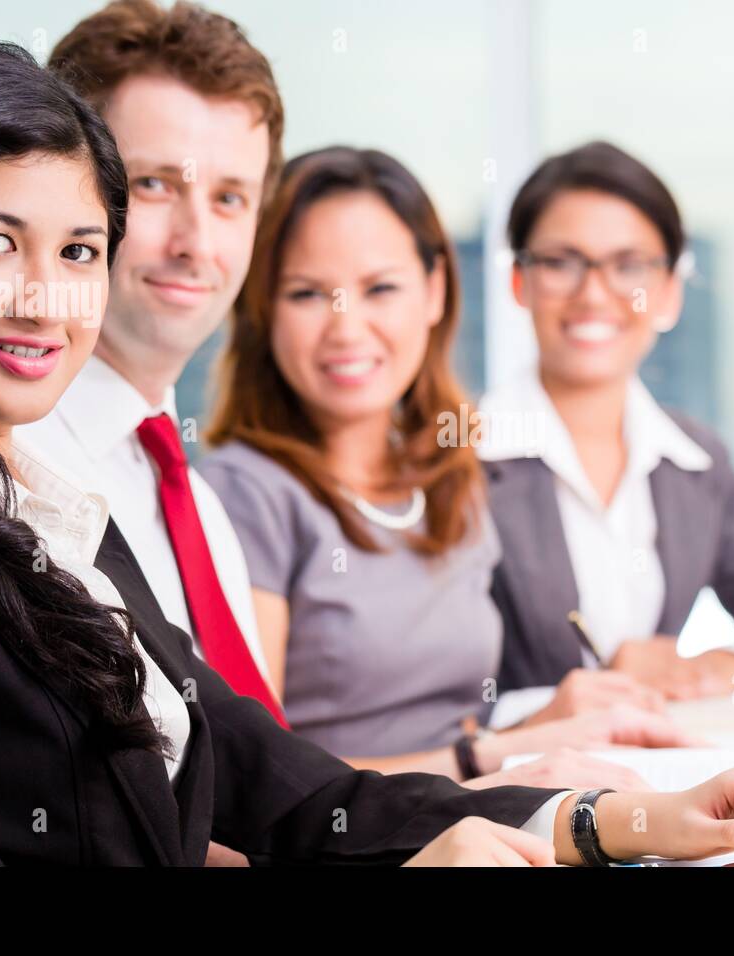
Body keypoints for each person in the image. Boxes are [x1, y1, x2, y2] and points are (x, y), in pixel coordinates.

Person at [0, 41, 734, 868]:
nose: (45, 301)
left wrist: (608, 823)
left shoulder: (49, 505)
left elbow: (289, 789)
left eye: (80, 251)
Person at [199, 146, 684, 790]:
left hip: (474, 821)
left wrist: (545, 726)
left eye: (381, 289)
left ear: (434, 292)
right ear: (263, 310)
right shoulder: (245, 493)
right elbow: (251, 791)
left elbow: (454, 732)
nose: (347, 329)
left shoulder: (449, 474)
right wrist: (488, 759)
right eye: (308, 293)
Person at [480, 141, 734, 704]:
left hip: (659, 781)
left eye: (629, 266)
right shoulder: (454, 459)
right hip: (510, 785)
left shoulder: (695, 460)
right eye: (561, 263)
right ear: (520, 283)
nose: (594, 294)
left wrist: (727, 665)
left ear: (668, 294)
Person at [16, 0, 282, 720]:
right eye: (158, 184)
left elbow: (269, 792)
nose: (196, 241)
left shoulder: (204, 512)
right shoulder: (4, 472)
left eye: (231, 198)